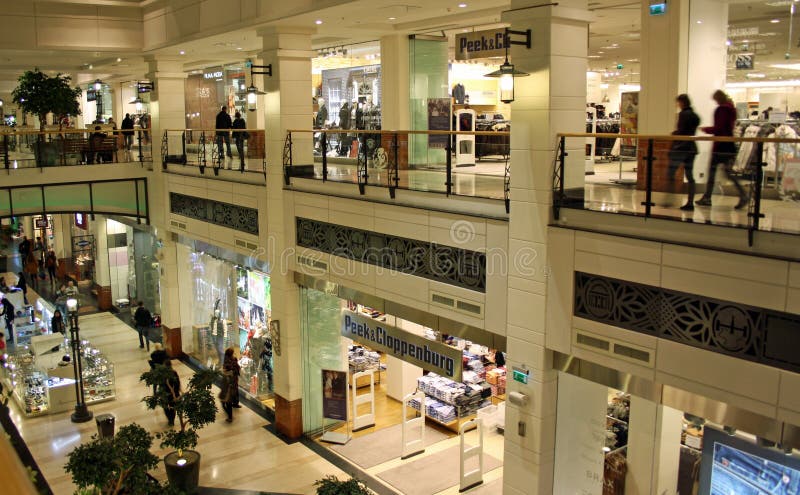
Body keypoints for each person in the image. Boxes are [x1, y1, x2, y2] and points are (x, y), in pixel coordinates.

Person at [696, 90, 748, 209]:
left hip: (720, 146)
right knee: (726, 173)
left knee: (713, 172)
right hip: (728, 145)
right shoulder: (731, 109)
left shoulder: (722, 109)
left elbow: (719, 128)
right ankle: (742, 194)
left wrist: (706, 130)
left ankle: (708, 197)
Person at [666, 94, 701, 211]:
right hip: (691, 148)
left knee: (670, 173)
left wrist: (674, 134)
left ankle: (669, 199)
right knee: (690, 176)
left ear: (681, 102)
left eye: (678, 102)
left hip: (681, 148)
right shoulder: (695, 115)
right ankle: (690, 202)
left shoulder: (683, 114)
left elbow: (681, 131)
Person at [219, 347, 239, 421]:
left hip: (228, 391)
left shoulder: (226, 374)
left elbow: (223, 384)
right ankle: (230, 416)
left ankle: (230, 417)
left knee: (226, 403)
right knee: (227, 403)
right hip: (230, 390)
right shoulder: (230, 362)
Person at [161, 359, 180, 426]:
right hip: (172, 393)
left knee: (166, 407)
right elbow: (178, 384)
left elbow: (161, 384)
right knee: (172, 407)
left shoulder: (164, 374)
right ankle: (171, 420)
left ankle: (170, 419)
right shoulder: (174, 372)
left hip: (167, 394)